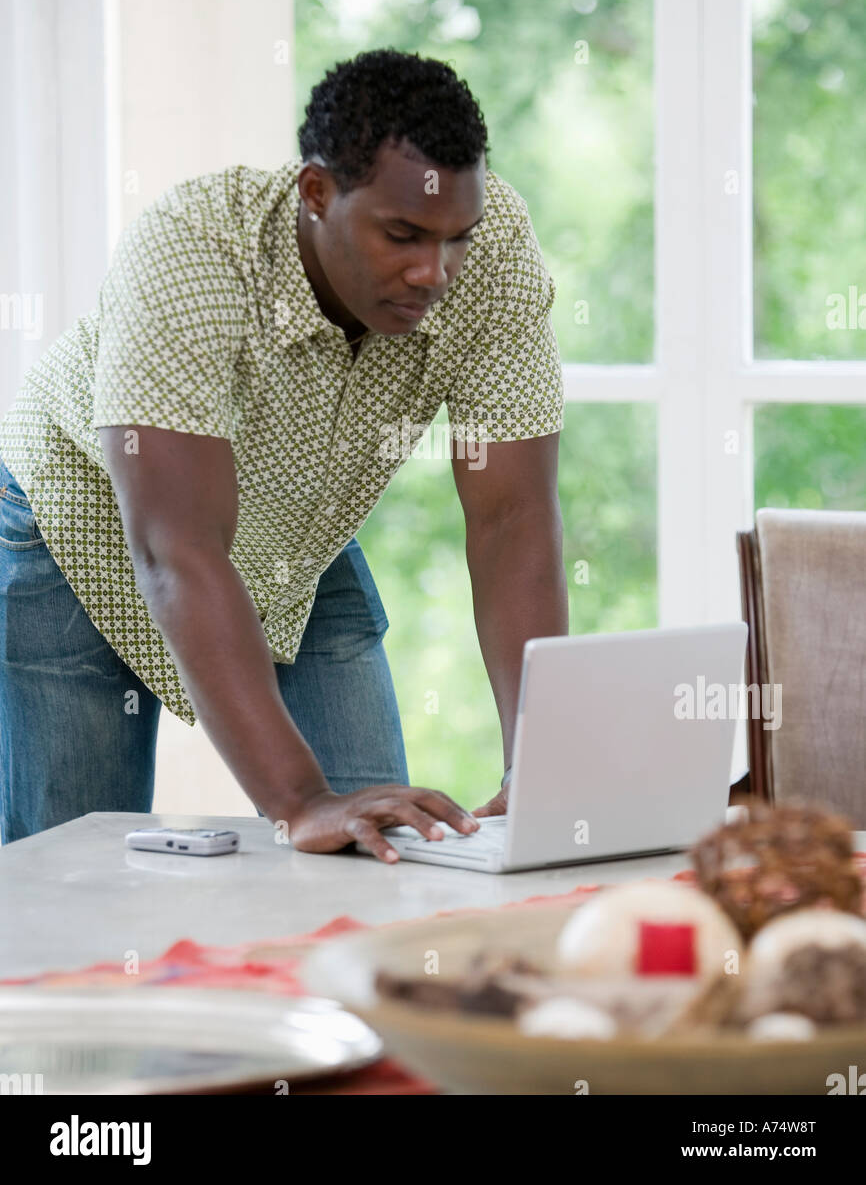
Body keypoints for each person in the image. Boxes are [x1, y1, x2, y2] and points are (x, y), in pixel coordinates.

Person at [0, 47, 567, 857]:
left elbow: (512, 516)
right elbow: (178, 550)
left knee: (376, 848)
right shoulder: (193, 251)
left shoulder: (497, 252)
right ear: (316, 192)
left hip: (297, 539)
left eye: (455, 240)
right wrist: (298, 800)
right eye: (402, 235)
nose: (433, 272)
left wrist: (543, 757)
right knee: (71, 867)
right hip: (81, 522)